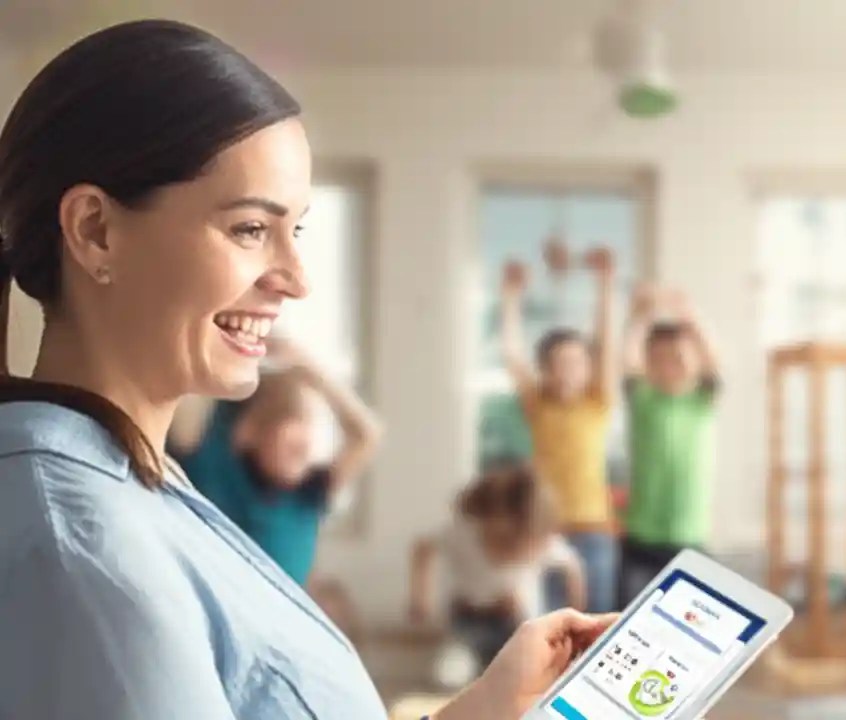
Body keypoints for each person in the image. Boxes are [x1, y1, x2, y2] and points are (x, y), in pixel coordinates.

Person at [0, 20, 612, 719]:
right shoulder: (81, 548)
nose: (296, 279)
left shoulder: (141, 480)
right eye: (251, 229)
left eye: (298, 231)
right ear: (95, 230)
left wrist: (488, 706)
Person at [168, 338, 382, 585]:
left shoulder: (308, 495)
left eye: (308, 425)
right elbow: (191, 388)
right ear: (248, 430)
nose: (305, 444)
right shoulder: (211, 466)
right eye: (292, 422)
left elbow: (366, 434)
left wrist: (307, 367)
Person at [501, 249, 619, 613]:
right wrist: (510, 295)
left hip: (594, 529)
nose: (568, 370)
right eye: (559, 363)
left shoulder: (597, 401)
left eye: (577, 362)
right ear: (545, 370)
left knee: (596, 618)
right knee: (549, 618)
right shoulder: (539, 406)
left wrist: (604, 284)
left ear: (589, 367)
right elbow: (511, 353)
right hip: (547, 527)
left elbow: (608, 343)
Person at [409, 461, 587, 668]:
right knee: (452, 671)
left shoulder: (545, 543)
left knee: (526, 667)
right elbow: (423, 549)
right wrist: (420, 597)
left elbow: (573, 569)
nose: (509, 553)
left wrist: (575, 616)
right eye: (504, 542)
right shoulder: (464, 533)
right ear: (487, 521)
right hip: (468, 618)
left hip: (518, 623)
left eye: (522, 547)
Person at [617, 286, 721, 605]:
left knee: (689, 623)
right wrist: (640, 318)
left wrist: (689, 317)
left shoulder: (701, 401)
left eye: (677, 357)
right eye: (658, 359)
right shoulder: (645, 400)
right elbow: (628, 359)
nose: (669, 365)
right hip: (640, 535)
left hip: (689, 536)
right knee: (627, 619)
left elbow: (712, 360)